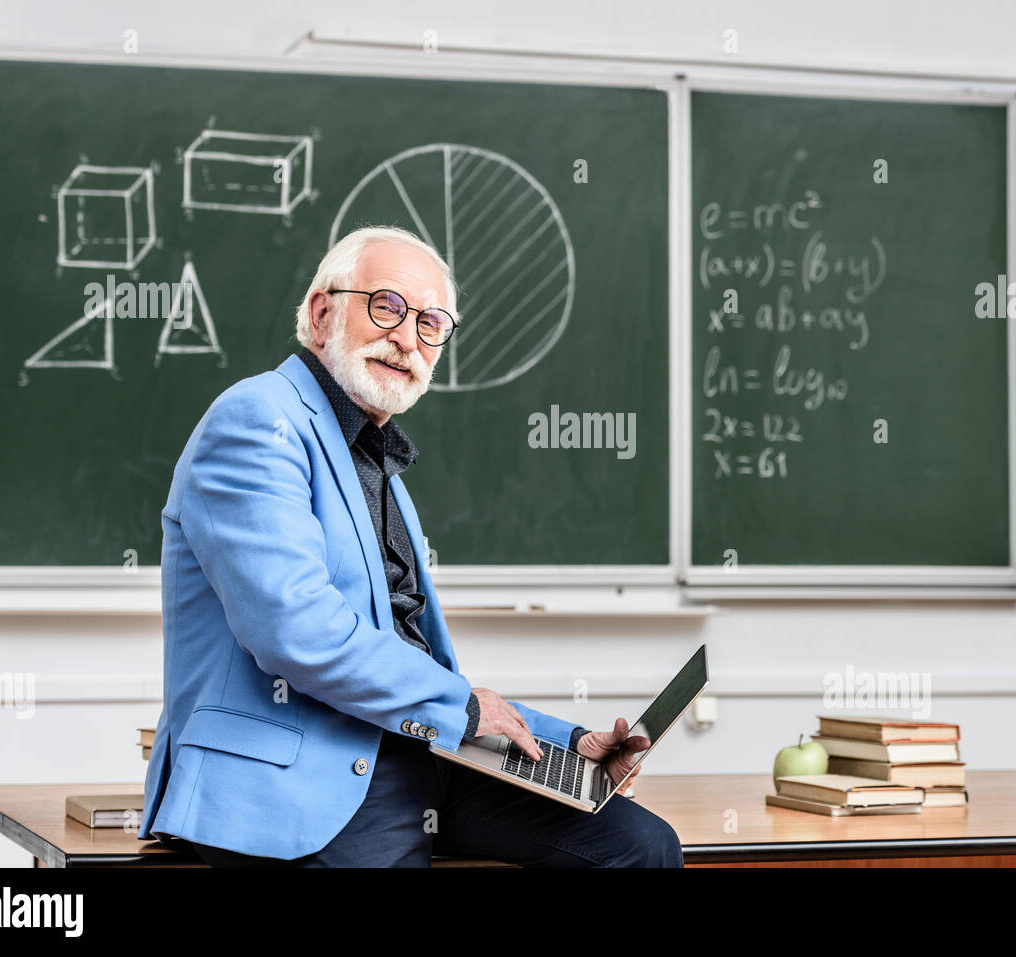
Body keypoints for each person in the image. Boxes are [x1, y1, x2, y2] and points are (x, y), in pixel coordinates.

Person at [137, 225, 682, 867]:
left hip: (419, 753)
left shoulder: (373, 457)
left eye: (430, 324)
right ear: (322, 314)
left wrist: (565, 745)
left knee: (642, 848)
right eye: (388, 307)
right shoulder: (258, 421)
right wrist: (462, 708)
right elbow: (295, 632)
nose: (406, 338)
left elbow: (414, 663)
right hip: (305, 781)